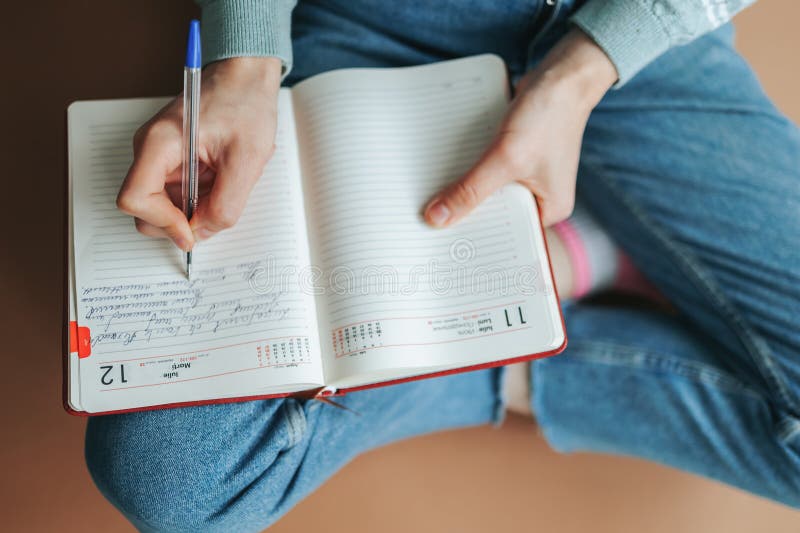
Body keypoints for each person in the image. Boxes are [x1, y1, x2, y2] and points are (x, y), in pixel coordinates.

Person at [88, 1, 800, 531]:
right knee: (170, 476)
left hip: (648, 45)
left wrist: (585, 70)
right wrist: (243, 60)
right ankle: (532, 306)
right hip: (378, 29)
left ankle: (515, 305)